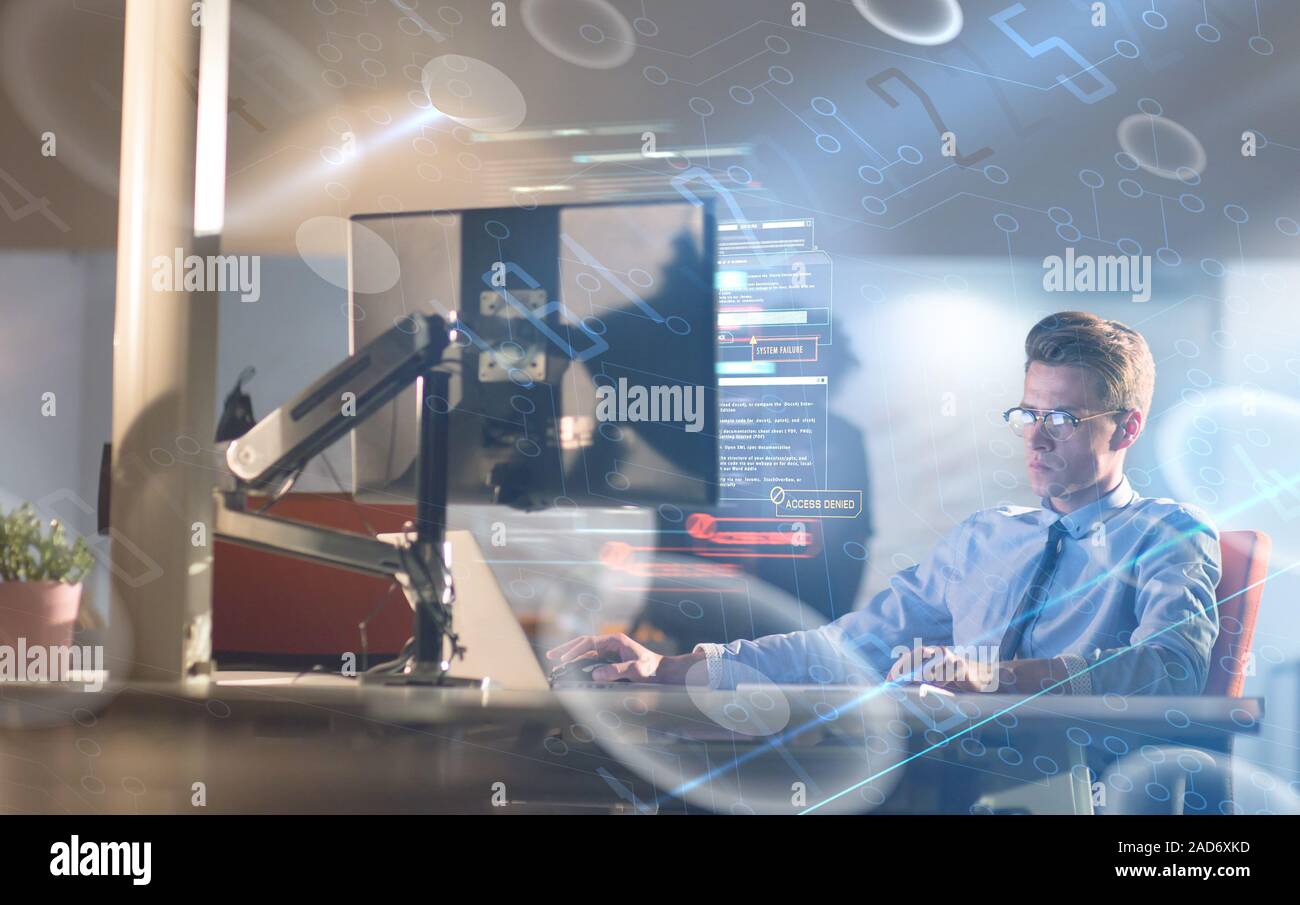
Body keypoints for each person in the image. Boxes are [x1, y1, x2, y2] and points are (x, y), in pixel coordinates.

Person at [547, 311, 1221, 696]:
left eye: (1064, 419)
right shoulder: (984, 537)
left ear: (1127, 428)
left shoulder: (1169, 532)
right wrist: (670, 666)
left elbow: (1172, 668)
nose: (1036, 437)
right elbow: (850, 646)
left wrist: (996, 675)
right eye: (1026, 412)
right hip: (942, 775)